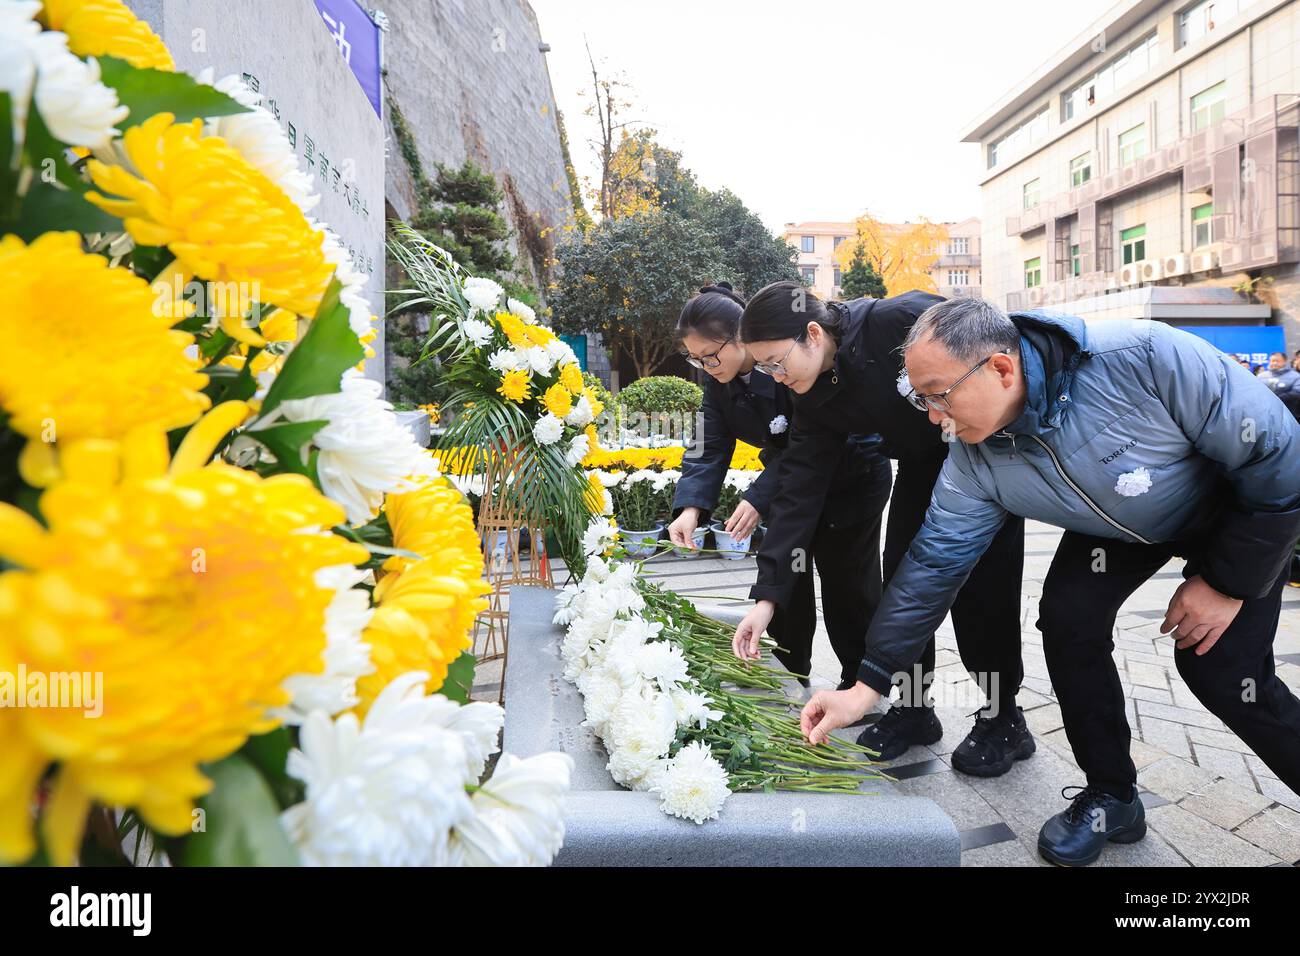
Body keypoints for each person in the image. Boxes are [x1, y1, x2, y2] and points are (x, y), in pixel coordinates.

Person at [799, 297, 1300, 866]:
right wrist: (868, 684)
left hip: (1235, 512)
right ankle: (1112, 795)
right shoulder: (972, 458)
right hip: (1120, 525)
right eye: (921, 400)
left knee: (1223, 672)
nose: (933, 418)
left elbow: (1280, 456)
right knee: (1068, 621)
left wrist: (1226, 583)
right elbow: (934, 564)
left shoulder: (1145, 356)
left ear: (1001, 369)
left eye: (939, 396)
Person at [732, 281, 1032, 775]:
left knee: (985, 593)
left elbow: (986, 343)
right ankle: (914, 710)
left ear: (812, 333)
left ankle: (1005, 718)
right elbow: (800, 490)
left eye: (777, 362)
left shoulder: (897, 320)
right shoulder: (811, 397)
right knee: (900, 586)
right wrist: (768, 598)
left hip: (982, 460)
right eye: (764, 367)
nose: (774, 376)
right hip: (922, 468)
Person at [668, 283, 892, 690]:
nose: (706, 366)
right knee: (787, 571)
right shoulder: (719, 385)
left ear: (742, 337)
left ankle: (858, 680)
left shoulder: (789, 367)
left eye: (711, 355)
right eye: (696, 360)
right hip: (790, 490)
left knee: (847, 584)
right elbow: (708, 443)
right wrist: (691, 507)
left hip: (849, 480)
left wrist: (758, 497)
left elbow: (808, 446)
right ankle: (790, 667)